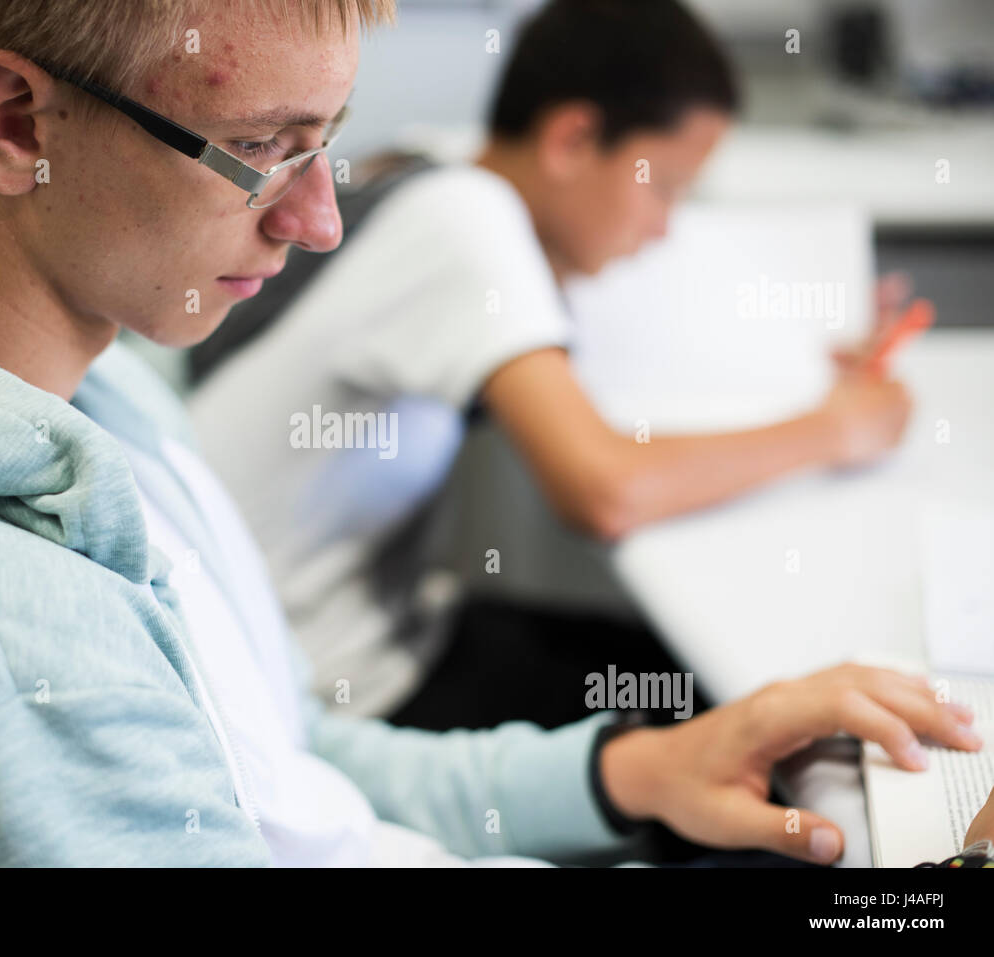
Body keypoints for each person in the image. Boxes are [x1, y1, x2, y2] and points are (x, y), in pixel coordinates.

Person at [0, 0, 982, 868]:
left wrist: (627, 773)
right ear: (16, 125)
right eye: (260, 150)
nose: (316, 220)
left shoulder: (105, 389)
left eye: (328, 148)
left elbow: (286, 756)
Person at [184, 0, 915, 730]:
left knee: (685, 684)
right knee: (735, 720)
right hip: (334, 696)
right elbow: (606, 491)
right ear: (571, 139)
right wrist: (836, 430)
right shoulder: (466, 223)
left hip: (358, 641)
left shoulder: (425, 170)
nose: (664, 227)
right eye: (662, 186)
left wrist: (802, 358)